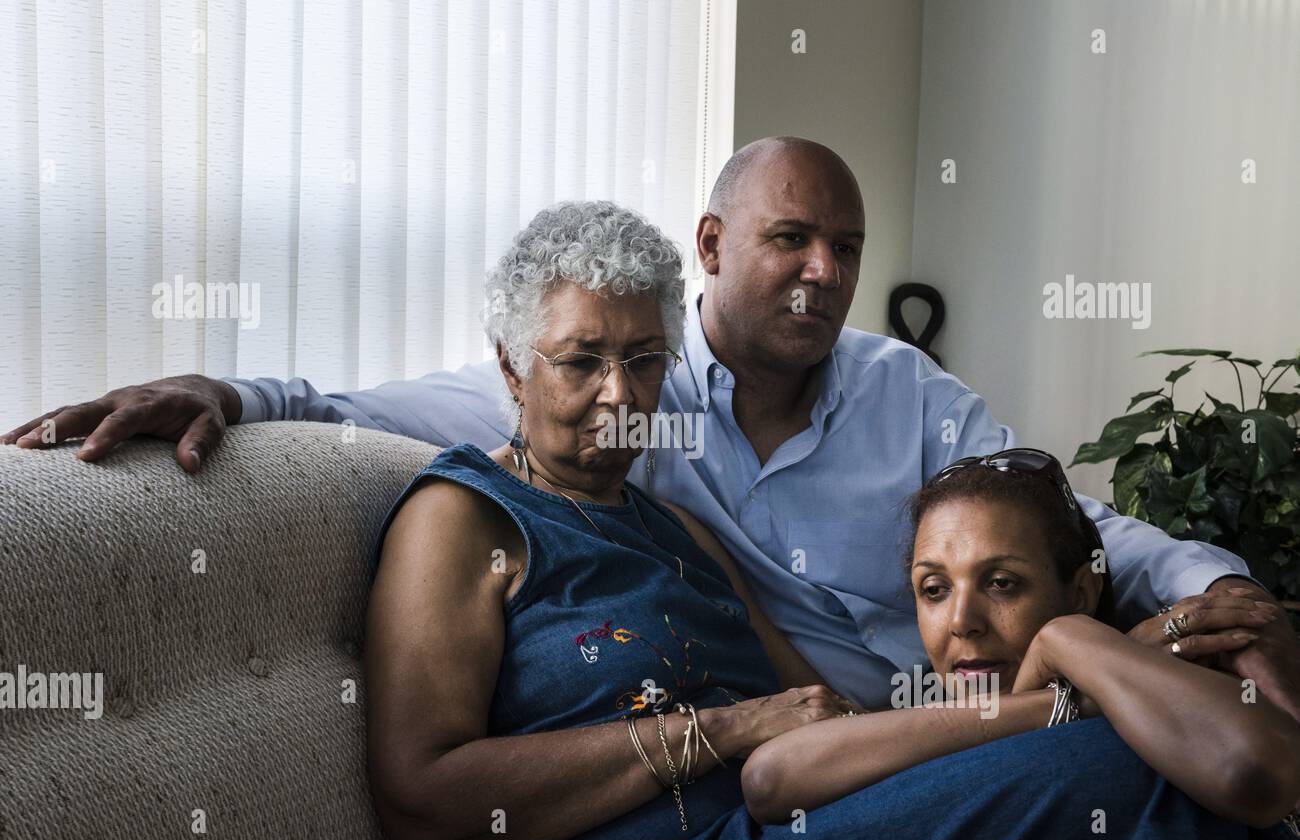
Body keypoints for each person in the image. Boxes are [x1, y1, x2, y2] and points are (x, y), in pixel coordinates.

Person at [6, 137, 1298, 722]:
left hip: (966, 700)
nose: (823, 272)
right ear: (713, 247)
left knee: (1189, 744)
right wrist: (232, 395)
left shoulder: (905, 393)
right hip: (842, 750)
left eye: (845, 247)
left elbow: (1072, 512)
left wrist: (1215, 580)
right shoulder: (627, 392)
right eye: (790, 238)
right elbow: (370, 407)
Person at [365, 199, 1276, 840]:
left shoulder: (678, 526)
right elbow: (423, 801)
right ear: (510, 368)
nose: (621, 394)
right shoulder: (463, 516)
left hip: (791, 823)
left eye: (645, 361)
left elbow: (831, 724)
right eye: (580, 362)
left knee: (1153, 763)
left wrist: (1079, 668)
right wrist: (722, 729)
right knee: (1133, 770)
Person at [738, 448, 1300, 840]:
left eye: (1002, 583)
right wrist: (1062, 698)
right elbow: (770, 781)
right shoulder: (910, 729)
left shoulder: (1167, 701)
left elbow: (1257, 773)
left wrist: (1073, 640)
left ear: (1081, 592)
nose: (961, 623)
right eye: (934, 590)